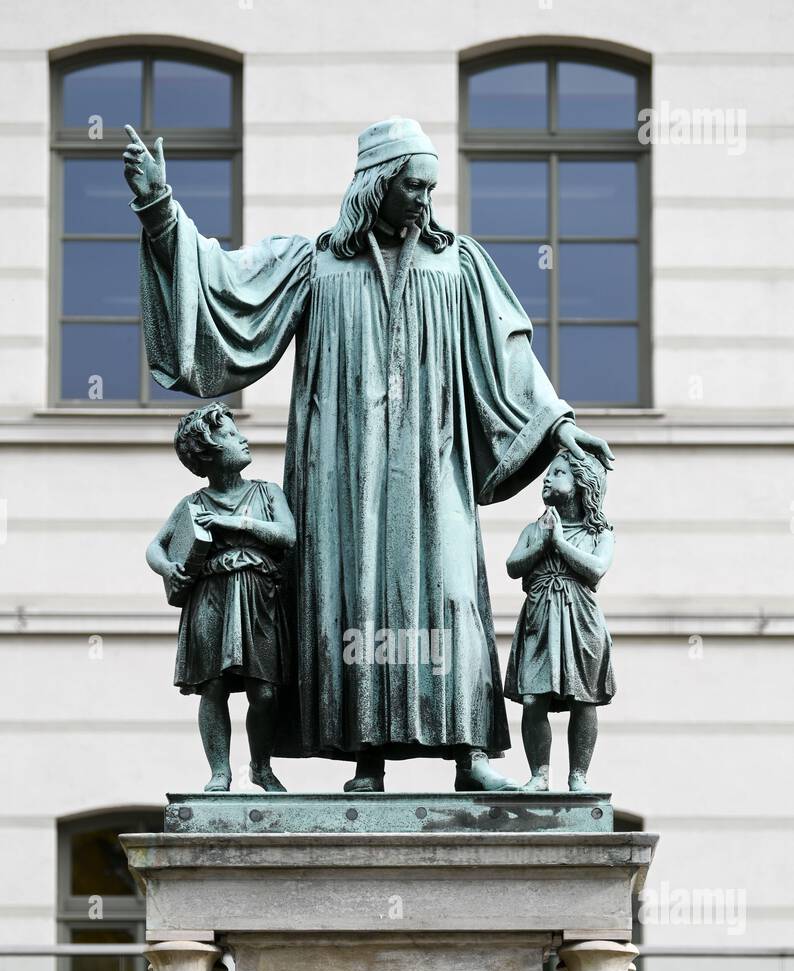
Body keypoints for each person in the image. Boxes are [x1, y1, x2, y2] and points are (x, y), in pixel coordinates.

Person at [123, 116, 613, 792]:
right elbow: (224, 289)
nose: (425, 200)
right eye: (412, 186)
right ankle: (366, 760)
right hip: (340, 469)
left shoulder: (459, 263)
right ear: (376, 185)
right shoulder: (312, 263)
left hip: (434, 466)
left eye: (431, 187)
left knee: (449, 593)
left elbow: (511, 358)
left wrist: (559, 426)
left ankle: (469, 753)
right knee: (353, 599)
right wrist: (158, 210)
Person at [146, 403, 295, 792]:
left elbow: (288, 536)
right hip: (211, 597)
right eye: (229, 435)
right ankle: (220, 771)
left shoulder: (267, 493)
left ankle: (260, 767)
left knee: (263, 690)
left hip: (258, 597)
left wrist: (237, 522)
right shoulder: (193, 504)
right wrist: (168, 569)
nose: (242, 438)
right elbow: (155, 548)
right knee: (213, 686)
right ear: (208, 451)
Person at [505, 450, 616, 792]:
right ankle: (540, 774)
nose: (547, 479)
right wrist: (541, 545)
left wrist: (559, 544)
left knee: (584, 698)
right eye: (548, 473)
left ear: (582, 484)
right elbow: (513, 566)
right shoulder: (534, 529)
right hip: (540, 619)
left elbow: (596, 569)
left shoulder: (600, 534)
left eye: (557, 473)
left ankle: (578, 775)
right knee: (533, 697)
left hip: (581, 621)